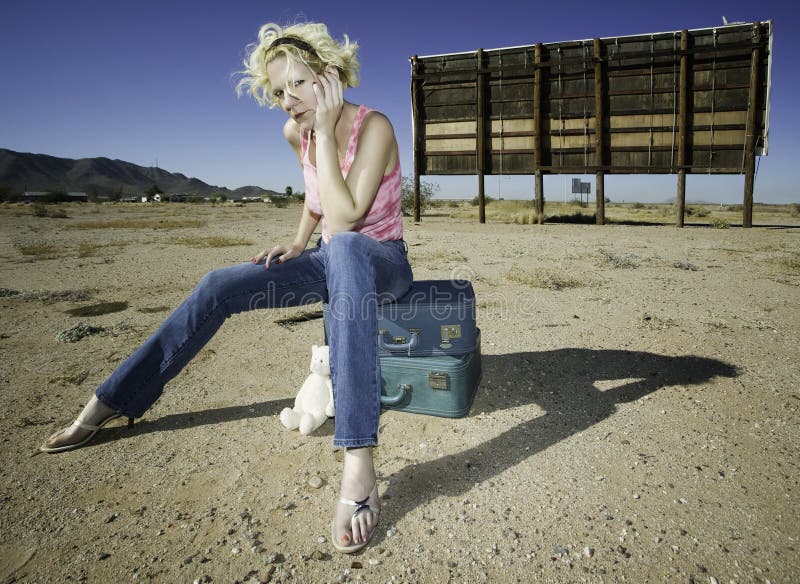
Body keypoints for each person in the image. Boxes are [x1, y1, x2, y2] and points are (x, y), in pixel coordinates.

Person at [40, 21, 412, 554]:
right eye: (280, 92)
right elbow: (315, 199)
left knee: (348, 247)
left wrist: (327, 131)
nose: (288, 102)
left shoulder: (374, 126)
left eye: (299, 86)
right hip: (331, 257)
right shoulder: (295, 133)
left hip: (383, 262)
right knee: (220, 283)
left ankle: (359, 463)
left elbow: (349, 216)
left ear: (329, 77)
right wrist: (297, 240)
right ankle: (112, 400)